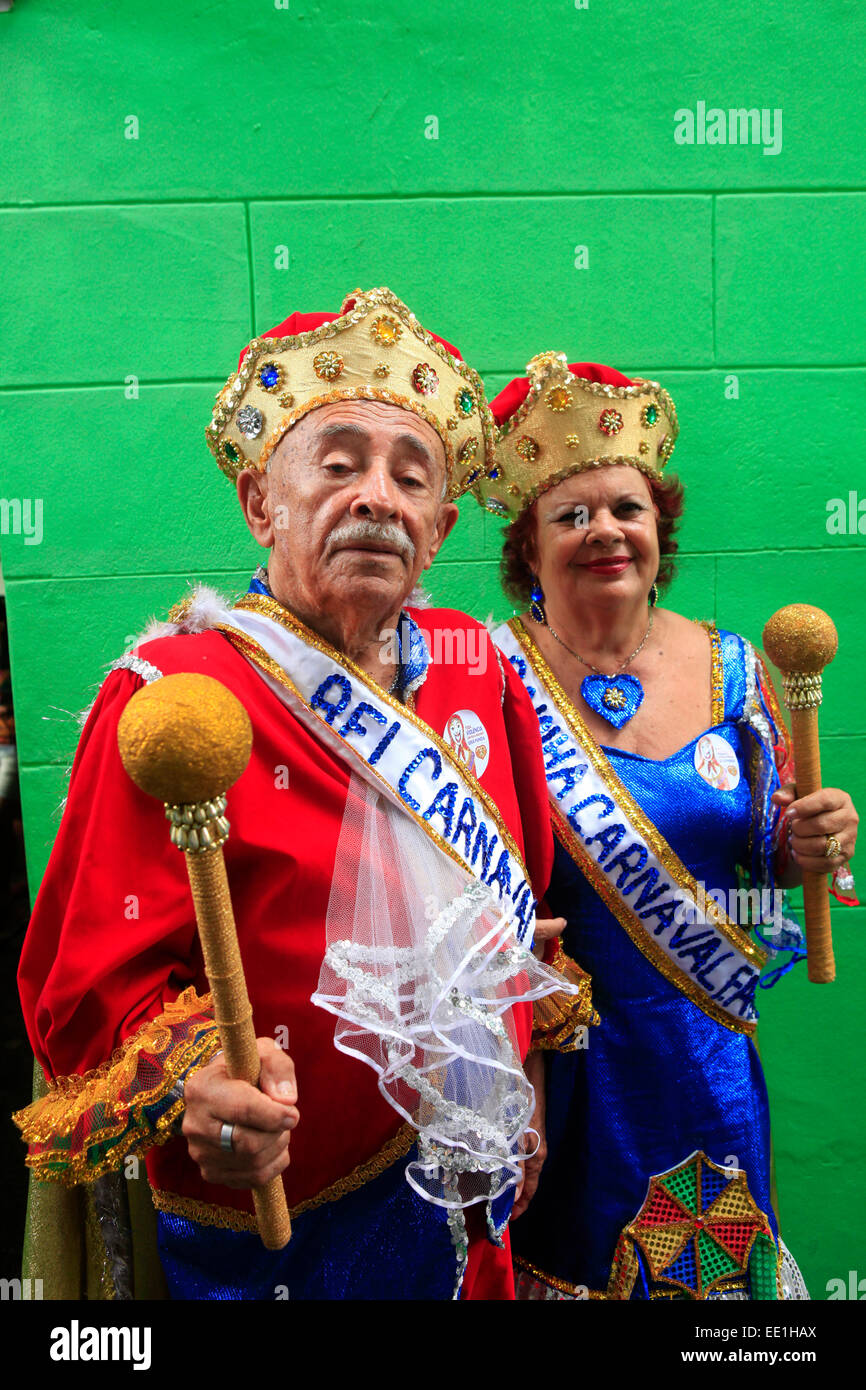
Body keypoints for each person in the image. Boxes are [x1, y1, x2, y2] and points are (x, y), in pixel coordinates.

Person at [13, 292, 593, 1301]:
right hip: (281, 1224)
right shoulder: (170, 696)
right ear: (258, 504)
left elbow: (518, 922)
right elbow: (83, 981)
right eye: (336, 465)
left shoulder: (479, 674)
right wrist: (197, 1088)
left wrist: (521, 1088)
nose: (375, 496)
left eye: (410, 477)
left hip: (472, 1197)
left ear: (440, 524)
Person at [473, 352, 859, 1300]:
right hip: (564, 1079)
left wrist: (809, 842)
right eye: (572, 515)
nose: (604, 531)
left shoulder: (733, 665)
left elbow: (767, 855)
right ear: (530, 546)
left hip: (709, 1060)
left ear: (659, 531)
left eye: (627, 510)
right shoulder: (484, 678)